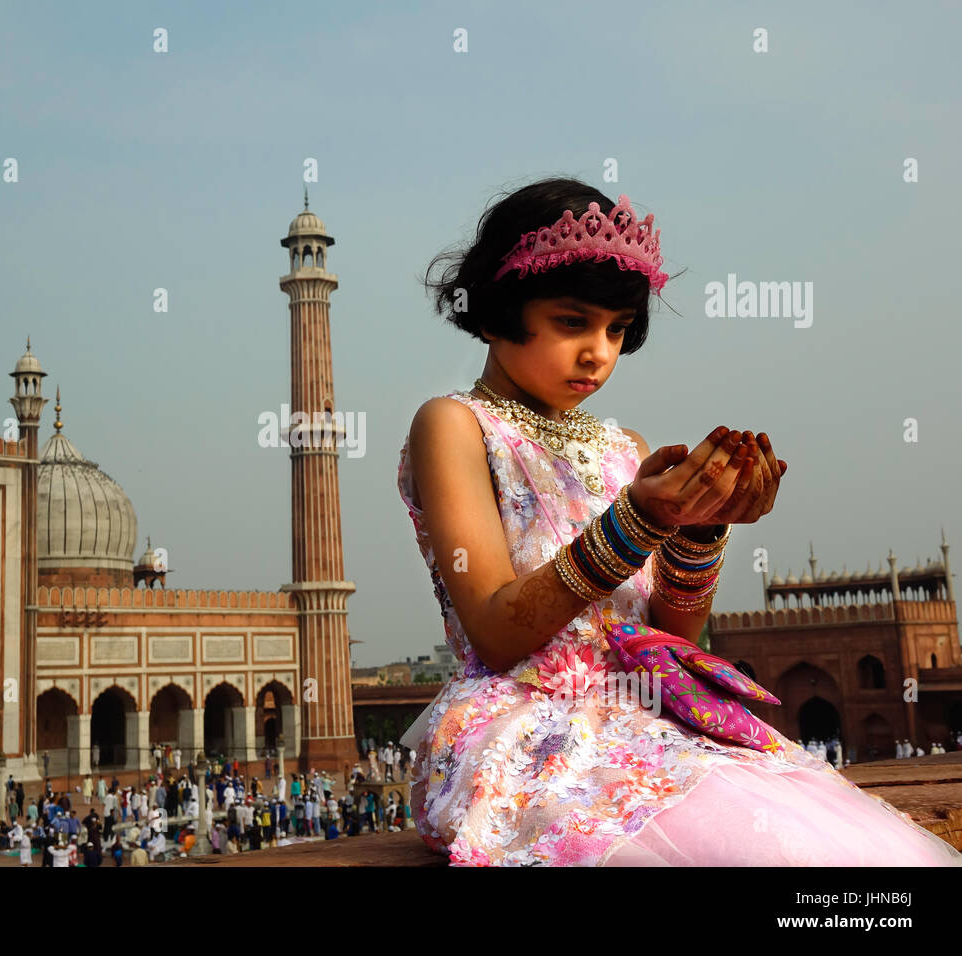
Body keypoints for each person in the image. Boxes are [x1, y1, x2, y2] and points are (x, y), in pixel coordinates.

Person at [399, 177, 962, 867]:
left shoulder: (621, 447)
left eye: (616, 330)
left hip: (649, 718)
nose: (598, 352)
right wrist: (638, 519)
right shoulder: (456, 425)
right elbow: (494, 630)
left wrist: (698, 530)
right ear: (493, 315)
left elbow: (667, 640)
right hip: (526, 733)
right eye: (573, 322)